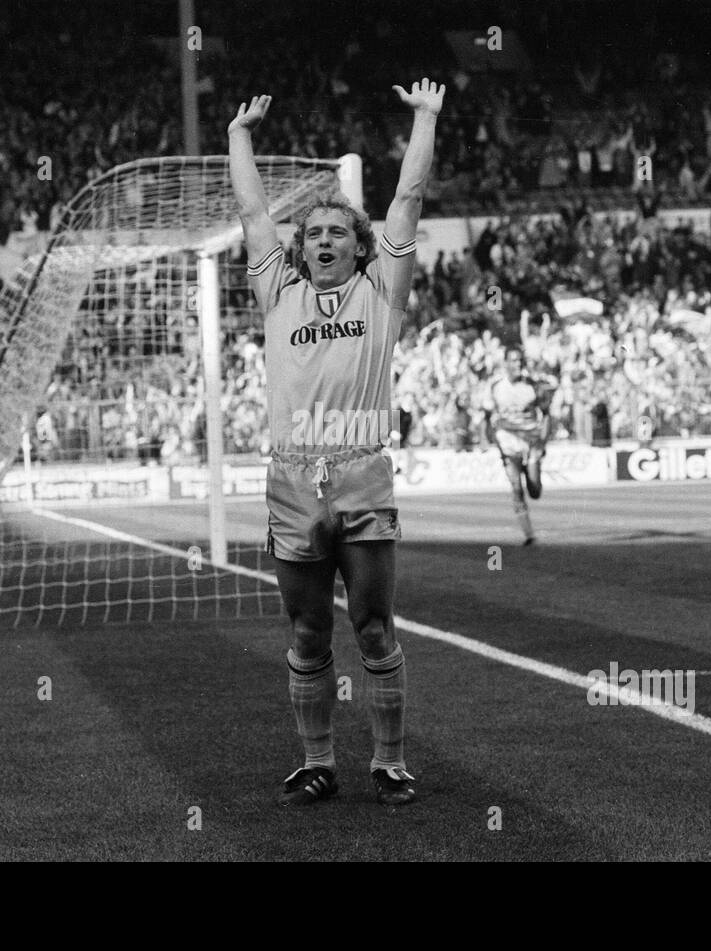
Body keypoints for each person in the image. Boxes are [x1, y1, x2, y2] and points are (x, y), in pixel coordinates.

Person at [229, 78, 444, 807]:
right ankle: (318, 759)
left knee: (375, 626)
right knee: (307, 626)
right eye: (314, 232)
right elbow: (255, 211)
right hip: (292, 478)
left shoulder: (381, 289)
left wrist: (423, 119)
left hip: (360, 471)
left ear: (359, 247)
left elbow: (408, 201)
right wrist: (239, 136)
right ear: (302, 247)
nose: (324, 239)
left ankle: (389, 761)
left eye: (338, 232)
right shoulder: (277, 293)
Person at [484, 347, 553, 545]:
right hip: (507, 442)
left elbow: (547, 414)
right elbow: (487, 415)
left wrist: (542, 441)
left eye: (520, 360)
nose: (518, 364)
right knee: (515, 487)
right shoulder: (495, 385)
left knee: (535, 491)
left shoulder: (533, 386)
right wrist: (485, 437)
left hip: (530, 442)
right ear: (505, 363)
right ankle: (529, 535)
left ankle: (533, 470)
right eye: (513, 360)